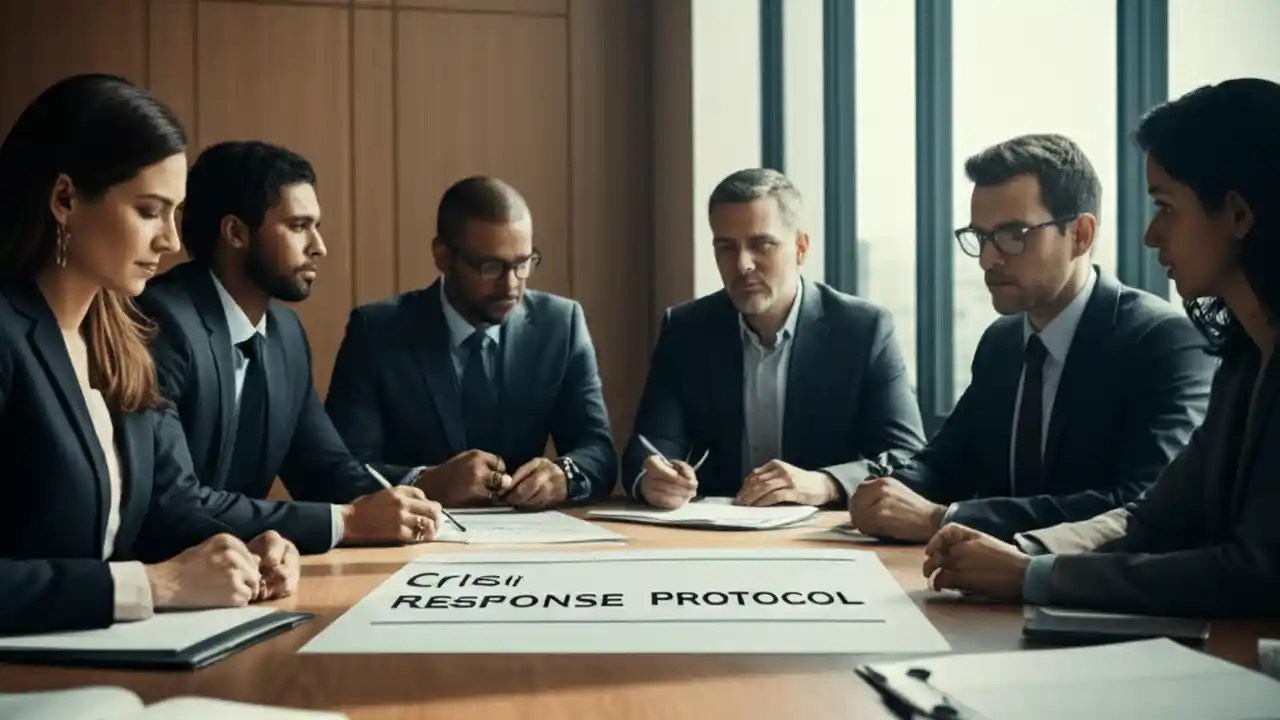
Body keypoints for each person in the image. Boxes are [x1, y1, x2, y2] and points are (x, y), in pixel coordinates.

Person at [923, 78, 1280, 617]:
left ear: (1237, 214)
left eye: (1165, 206)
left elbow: (1255, 572)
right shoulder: (1244, 360)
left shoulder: (1169, 342)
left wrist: (1031, 573)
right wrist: (1023, 553)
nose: (1150, 236)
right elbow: (1151, 518)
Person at [0, 74, 300, 634]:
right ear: (64, 198)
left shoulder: (127, 340)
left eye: (175, 214)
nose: (169, 241)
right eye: (148, 211)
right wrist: (152, 586)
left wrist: (238, 550)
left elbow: (167, 505)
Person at [850, 134, 1215, 543]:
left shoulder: (1165, 343)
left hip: (1090, 594)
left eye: (1013, 234)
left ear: (1080, 234)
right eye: (981, 237)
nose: (988, 258)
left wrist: (947, 518)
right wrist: (886, 492)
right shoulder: (1002, 342)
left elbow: (1138, 502)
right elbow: (945, 463)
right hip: (981, 586)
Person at [137, 141, 441, 551]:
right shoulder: (162, 321)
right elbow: (174, 503)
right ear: (235, 233)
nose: (319, 245)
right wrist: (347, 522)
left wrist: (416, 492)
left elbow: (325, 472)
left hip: (243, 572)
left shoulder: (285, 333)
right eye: (299, 226)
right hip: (160, 578)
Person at [622, 168, 925, 509]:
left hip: (823, 536)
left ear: (800, 247)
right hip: (714, 534)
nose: (742, 264)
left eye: (761, 244)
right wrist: (654, 479)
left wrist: (825, 483)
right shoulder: (687, 328)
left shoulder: (863, 329)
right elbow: (648, 447)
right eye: (726, 247)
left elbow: (908, 457)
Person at [326, 176, 617, 508]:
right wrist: (428, 482)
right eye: (490, 266)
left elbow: (598, 453)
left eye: (522, 264)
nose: (511, 285)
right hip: (410, 539)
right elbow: (341, 473)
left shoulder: (560, 325)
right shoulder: (376, 332)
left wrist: (565, 477)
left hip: (527, 539)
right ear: (443, 256)